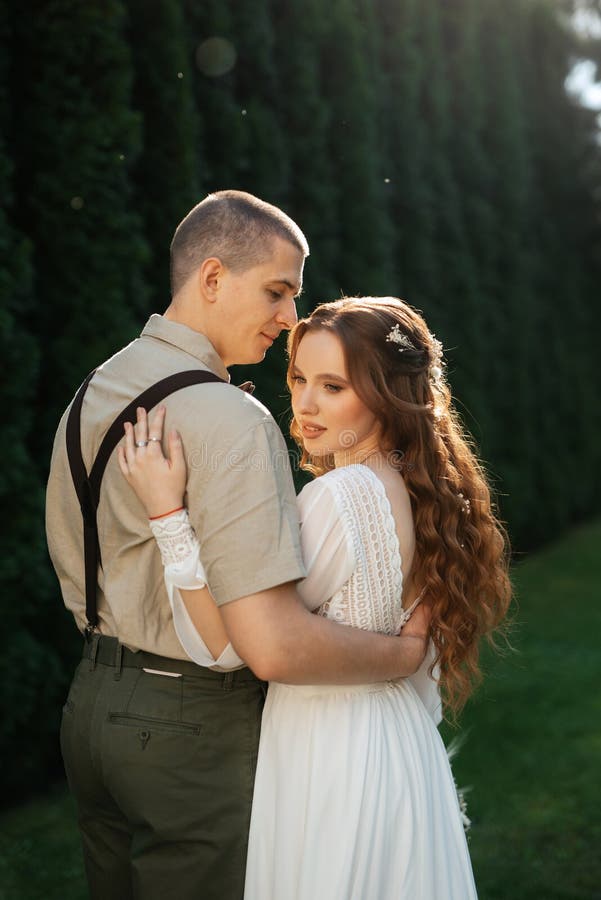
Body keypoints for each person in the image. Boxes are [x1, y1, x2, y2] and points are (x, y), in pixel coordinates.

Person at [46, 193, 431, 900]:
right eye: (277, 291)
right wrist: (405, 655)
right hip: (188, 726)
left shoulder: (94, 389)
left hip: (90, 709)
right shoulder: (230, 416)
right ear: (213, 277)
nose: (288, 318)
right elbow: (266, 646)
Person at [119, 296, 512, 899]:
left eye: (333, 387)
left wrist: (168, 514)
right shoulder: (416, 489)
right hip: (399, 741)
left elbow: (231, 644)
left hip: (332, 753)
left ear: (387, 395)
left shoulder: (338, 498)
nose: (305, 403)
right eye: (300, 378)